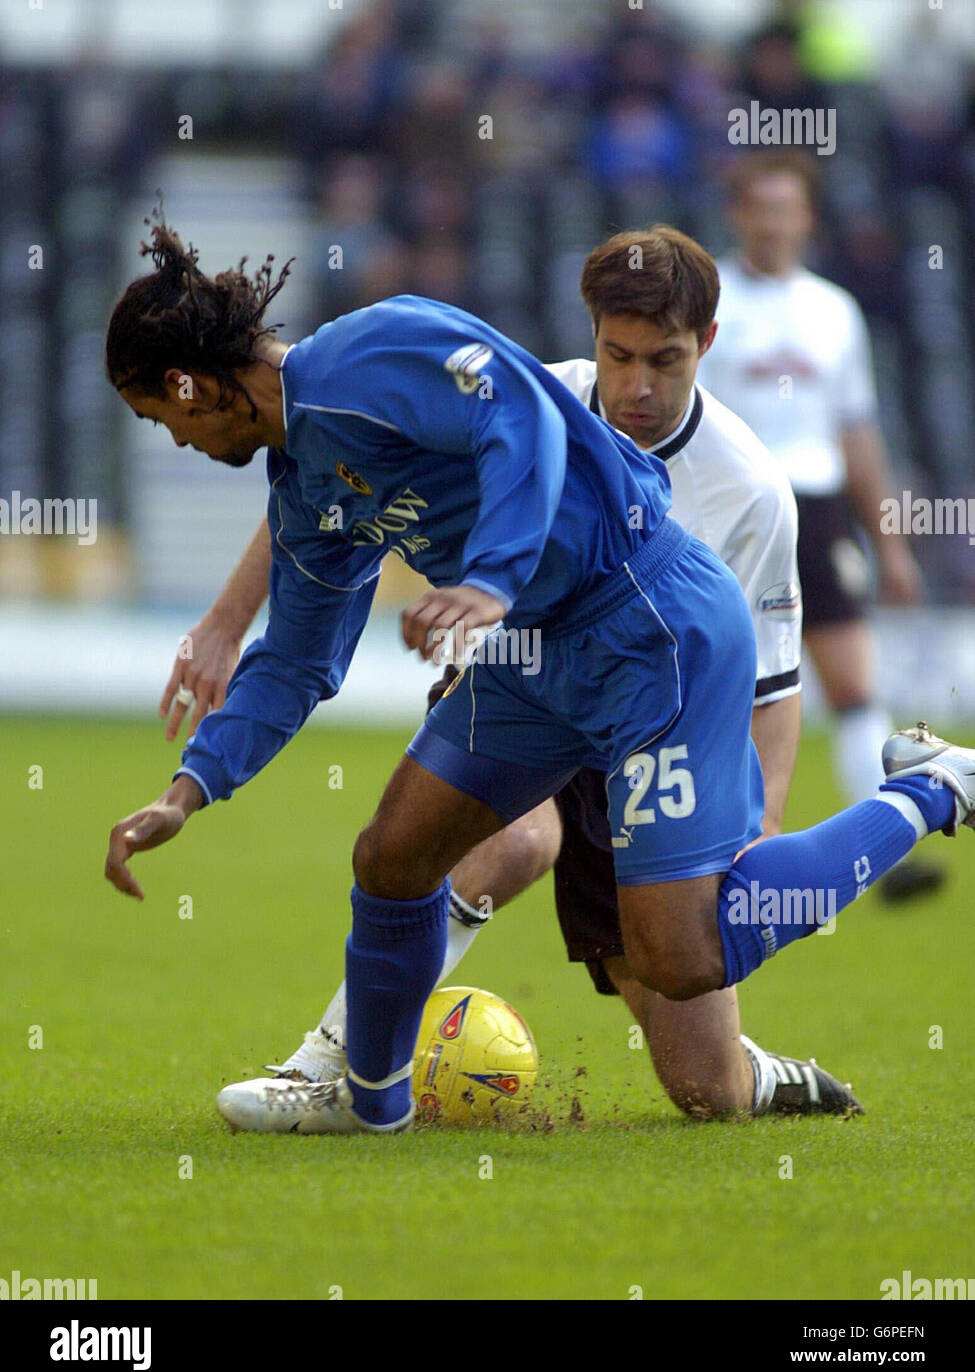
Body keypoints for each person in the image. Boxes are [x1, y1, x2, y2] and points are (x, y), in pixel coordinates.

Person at [104, 215, 974, 1138]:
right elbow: (298, 659)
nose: (173, 439)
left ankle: (927, 789)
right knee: (393, 854)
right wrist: (191, 787)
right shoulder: (304, 485)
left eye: (158, 418)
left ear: (186, 384)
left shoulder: (372, 349)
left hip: (651, 626)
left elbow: (512, 416)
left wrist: (488, 577)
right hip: (537, 653)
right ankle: (368, 1100)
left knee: (680, 960)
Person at [697, 151, 941, 905]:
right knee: (729, 685)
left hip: (819, 508)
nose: (772, 222)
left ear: (806, 217)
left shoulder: (832, 311)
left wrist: (888, 543)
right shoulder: (711, 302)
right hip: (734, 510)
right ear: (738, 215)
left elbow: (857, 434)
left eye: (785, 208)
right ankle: (717, 847)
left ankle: (884, 850)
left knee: (851, 681)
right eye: (758, 207)